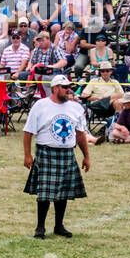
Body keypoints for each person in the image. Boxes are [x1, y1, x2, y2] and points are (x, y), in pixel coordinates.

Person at [22, 74, 90, 238]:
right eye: (65, 87)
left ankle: (59, 226)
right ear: (55, 88)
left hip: (67, 153)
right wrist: (27, 155)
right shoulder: (41, 106)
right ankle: (40, 228)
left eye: (69, 87)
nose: (69, 90)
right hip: (46, 152)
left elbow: (80, 134)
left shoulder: (76, 108)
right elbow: (28, 131)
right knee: (44, 193)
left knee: (63, 192)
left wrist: (86, 156)